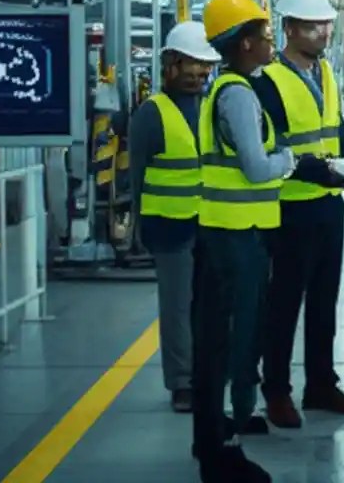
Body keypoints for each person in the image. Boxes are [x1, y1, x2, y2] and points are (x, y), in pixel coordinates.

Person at [251, 0, 344, 427]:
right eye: (313, 25)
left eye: (325, 24)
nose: (323, 32)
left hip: (328, 205)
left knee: (324, 300)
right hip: (290, 207)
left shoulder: (323, 74)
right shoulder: (269, 81)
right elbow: (274, 146)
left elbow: (335, 128)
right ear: (288, 29)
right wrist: (316, 171)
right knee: (284, 303)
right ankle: (276, 391)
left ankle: (321, 384)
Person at [191, 0, 293, 483]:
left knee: (217, 341)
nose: (271, 43)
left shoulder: (224, 88)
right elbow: (256, 169)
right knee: (236, 342)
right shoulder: (238, 94)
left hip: (227, 236)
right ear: (245, 43)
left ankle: (209, 441)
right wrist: (288, 163)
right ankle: (225, 452)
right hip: (238, 240)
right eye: (266, 36)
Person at [128, 21, 220, 414]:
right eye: (192, 66)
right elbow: (136, 176)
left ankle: (208, 375)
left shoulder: (213, 105)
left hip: (212, 222)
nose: (199, 74)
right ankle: (181, 382)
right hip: (169, 227)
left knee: (210, 306)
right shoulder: (151, 114)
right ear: (171, 65)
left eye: (205, 67)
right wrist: (138, 229)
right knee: (178, 308)